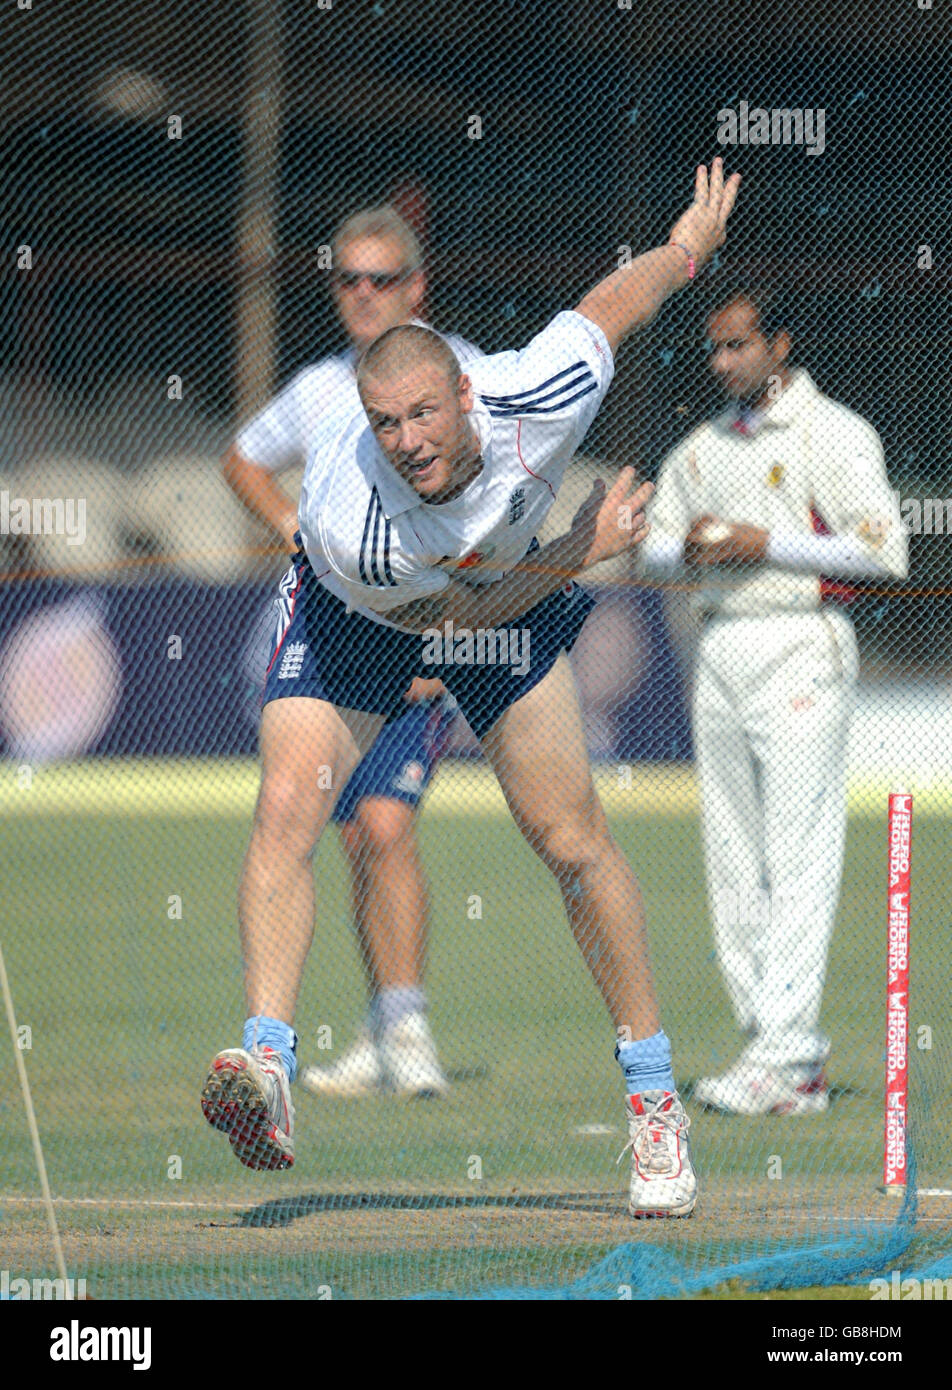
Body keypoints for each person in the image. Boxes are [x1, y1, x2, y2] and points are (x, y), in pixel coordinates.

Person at [202, 159, 740, 1217]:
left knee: (574, 845)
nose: (407, 443)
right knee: (285, 808)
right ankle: (268, 1063)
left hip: (511, 590)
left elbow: (608, 307)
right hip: (366, 618)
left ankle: (652, 1105)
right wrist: (579, 550)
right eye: (384, 424)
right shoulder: (355, 520)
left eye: (421, 416)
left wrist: (685, 249)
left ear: (463, 389)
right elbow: (447, 628)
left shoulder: (538, 389)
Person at [223, 206, 482, 1098]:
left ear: (418, 285)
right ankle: (298, 1047)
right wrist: (289, 523)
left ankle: (405, 1026)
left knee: (385, 825)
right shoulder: (318, 390)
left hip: (425, 644)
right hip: (332, 640)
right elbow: (243, 459)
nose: (363, 295)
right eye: (347, 279)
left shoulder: (467, 374)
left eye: (382, 279)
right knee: (321, 823)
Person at [643, 286, 908, 1115]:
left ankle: (787, 1050)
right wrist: (679, 549)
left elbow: (885, 552)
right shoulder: (699, 449)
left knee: (798, 853)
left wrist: (767, 545)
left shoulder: (835, 433)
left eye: (739, 347)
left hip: (802, 640)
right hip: (718, 644)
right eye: (714, 349)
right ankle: (782, 1049)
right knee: (732, 857)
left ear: (780, 344)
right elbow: (653, 554)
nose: (723, 363)